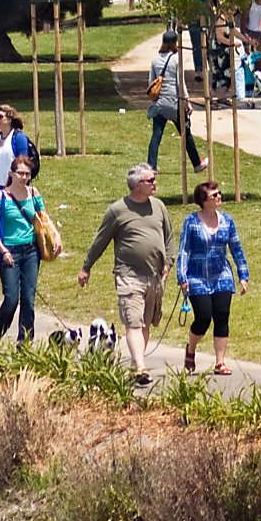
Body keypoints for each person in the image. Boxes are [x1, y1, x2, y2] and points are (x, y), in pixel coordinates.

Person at [78, 164, 175, 384]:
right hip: (128, 275)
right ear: (138, 185)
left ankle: (135, 362)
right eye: (151, 180)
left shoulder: (159, 207)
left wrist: (168, 263)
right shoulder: (118, 210)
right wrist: (86, 267)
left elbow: (169, 238)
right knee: (134, 322)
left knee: (145, 323)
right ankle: (141, 366)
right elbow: (100, 241)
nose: (155, 184)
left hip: (155, 276)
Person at [176, 181, 250, 376]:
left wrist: (243, 275)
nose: (219, 197)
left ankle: (220, 362)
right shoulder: (191, 221)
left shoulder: (227, 221)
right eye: (214, 195)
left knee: (222, 316)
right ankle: (191, 349)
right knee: (203, 317)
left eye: (219, 194)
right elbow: (184, 250)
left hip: (221, 275)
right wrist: (182, 277)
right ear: (203, 200)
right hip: (197, 276)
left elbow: (236, 248)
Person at [0, 150, 43, 346]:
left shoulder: (34, 193)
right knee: (11, 300)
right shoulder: (1, 196)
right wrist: (3, 251)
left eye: (27, 174)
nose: (24, 178)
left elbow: (43, 219)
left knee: (28, 299)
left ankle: (24, 342)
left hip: (31, 251)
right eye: (20, 173)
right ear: (11, 173)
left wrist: (54, 238)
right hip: (9, 251)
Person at [145, 32, 209, 172]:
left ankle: (151, 166)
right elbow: (181, 83)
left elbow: (151, 82)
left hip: (160, 104)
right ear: (175, 42)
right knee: (186, 134)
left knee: (156, 134)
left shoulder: (155, 61)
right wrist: (187, 102)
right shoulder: (176, 60)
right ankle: (197, 164)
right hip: (175, 104)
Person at [0, 105, 31, 195]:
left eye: (0, 117)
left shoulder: (19, 138)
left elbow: (24, 164)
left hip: (14, 186)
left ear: (9, 119)